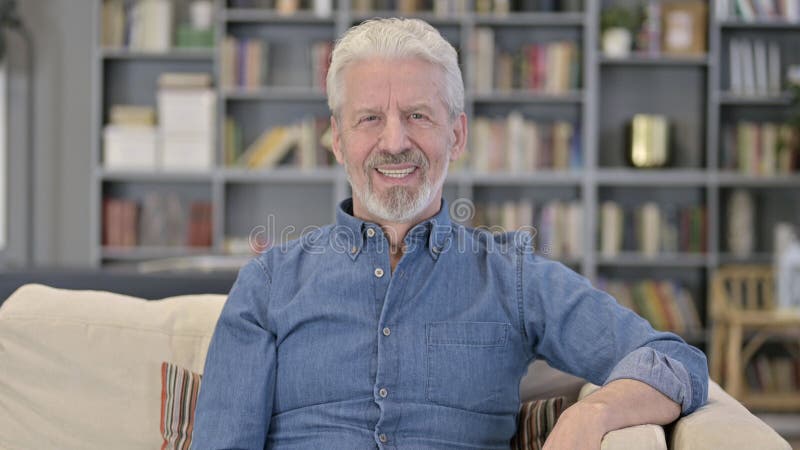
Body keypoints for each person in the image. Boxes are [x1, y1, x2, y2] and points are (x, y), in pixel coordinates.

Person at [191, 18, 708, 450]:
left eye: (417, 115)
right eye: (369, 118)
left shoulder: (513, 277)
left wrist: (592, 414)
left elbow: (676, 362)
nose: (394, 142)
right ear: (338, 139)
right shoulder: (268, 283)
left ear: (455, 135)